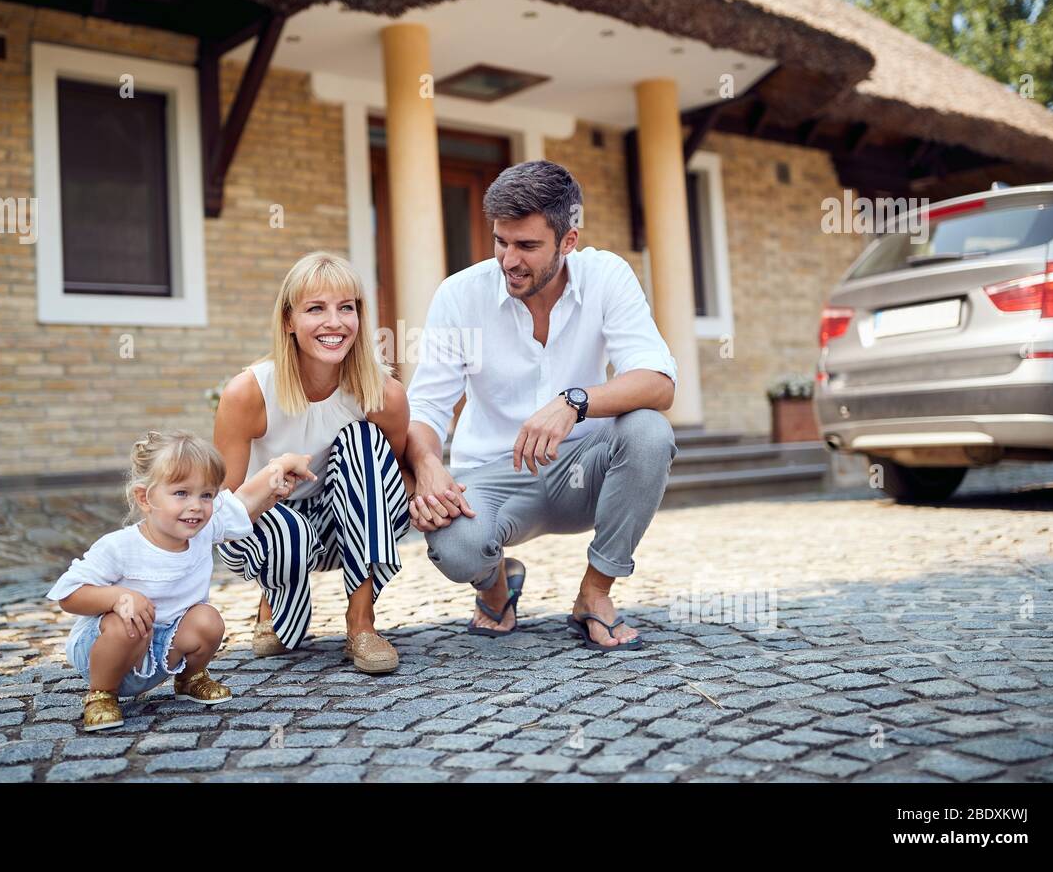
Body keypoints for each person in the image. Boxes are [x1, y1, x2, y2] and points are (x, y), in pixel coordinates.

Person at [404, 159, 679, 651]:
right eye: (501, 242)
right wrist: (426, 465)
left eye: (527, 246)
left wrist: (575, 402)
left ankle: (594, 596)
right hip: (494, 474)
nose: (510, 260)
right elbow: (426, 405)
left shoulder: (607, 275)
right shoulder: (459, 295)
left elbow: (658, 382)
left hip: (586, 468)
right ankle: (495, 585)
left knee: (648, 432)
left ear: (568, 240)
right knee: (458, 549)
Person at [214, 252, 412, 674]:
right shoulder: (248, 393)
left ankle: (361, 623)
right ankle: (278, 596)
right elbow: (224, 506)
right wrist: (270, 482)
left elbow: (387, 480)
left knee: (363, 439)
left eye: (347, 308)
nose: (335, 323)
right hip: (266, 525)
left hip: (343, 526)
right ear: (288, 320)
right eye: (316, 308)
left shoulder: (383, 394)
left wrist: (431, 486)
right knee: (285, 528)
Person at [46, 430, 314, 731]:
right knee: (129, 623)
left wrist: (283, 465)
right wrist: (117, 598)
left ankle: (189, 677)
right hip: (105, 652)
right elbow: (68, 594)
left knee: (207, 619)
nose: (196, 506)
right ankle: (101, 695)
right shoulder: (120, 547)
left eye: (207, 495)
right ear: (145, 498)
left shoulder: (203, 529)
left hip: (163, 652)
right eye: (181, 493)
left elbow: (245, 501)